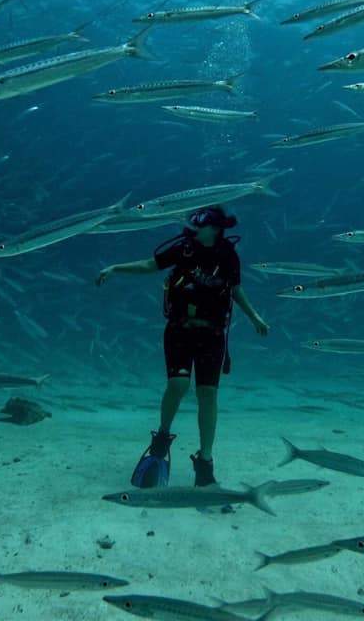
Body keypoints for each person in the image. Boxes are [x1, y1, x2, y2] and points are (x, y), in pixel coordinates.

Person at [96, 205, 269, 487]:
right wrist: (116, 268)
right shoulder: (183, 249)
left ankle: (205, 462)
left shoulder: (228, 255)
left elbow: (236, 290)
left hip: (212, 334)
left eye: (200, 221)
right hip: (179, 330)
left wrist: (255, 317)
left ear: (215, 227)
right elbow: (150, 265)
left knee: (208, 395)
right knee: (178, 385)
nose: (193, 225)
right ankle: (161, 441)